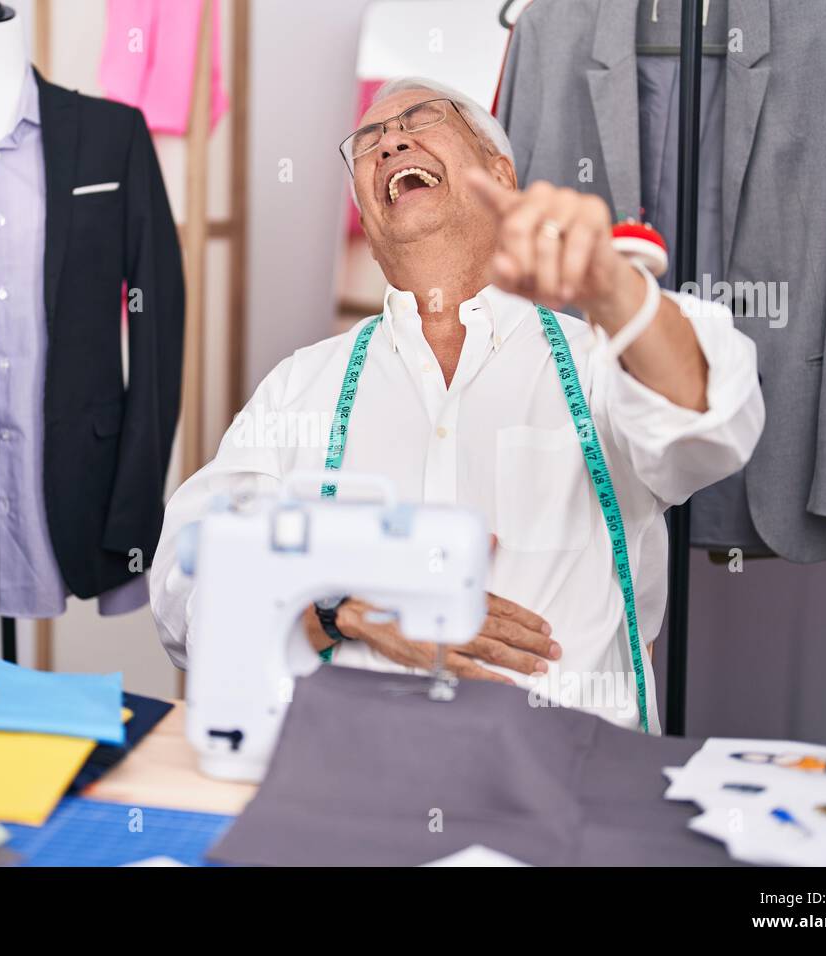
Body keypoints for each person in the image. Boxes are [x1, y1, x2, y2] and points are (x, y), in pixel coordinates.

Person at [151, 77, 765, 732]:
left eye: (419, 118)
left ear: (499, 173)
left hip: (563, 792)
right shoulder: (298, 390)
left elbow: (712, 423)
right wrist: (339, 607)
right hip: (357, 790)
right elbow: (184, 596)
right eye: (369, 139)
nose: (390, 142)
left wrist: (616, 293)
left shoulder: (601, 361)